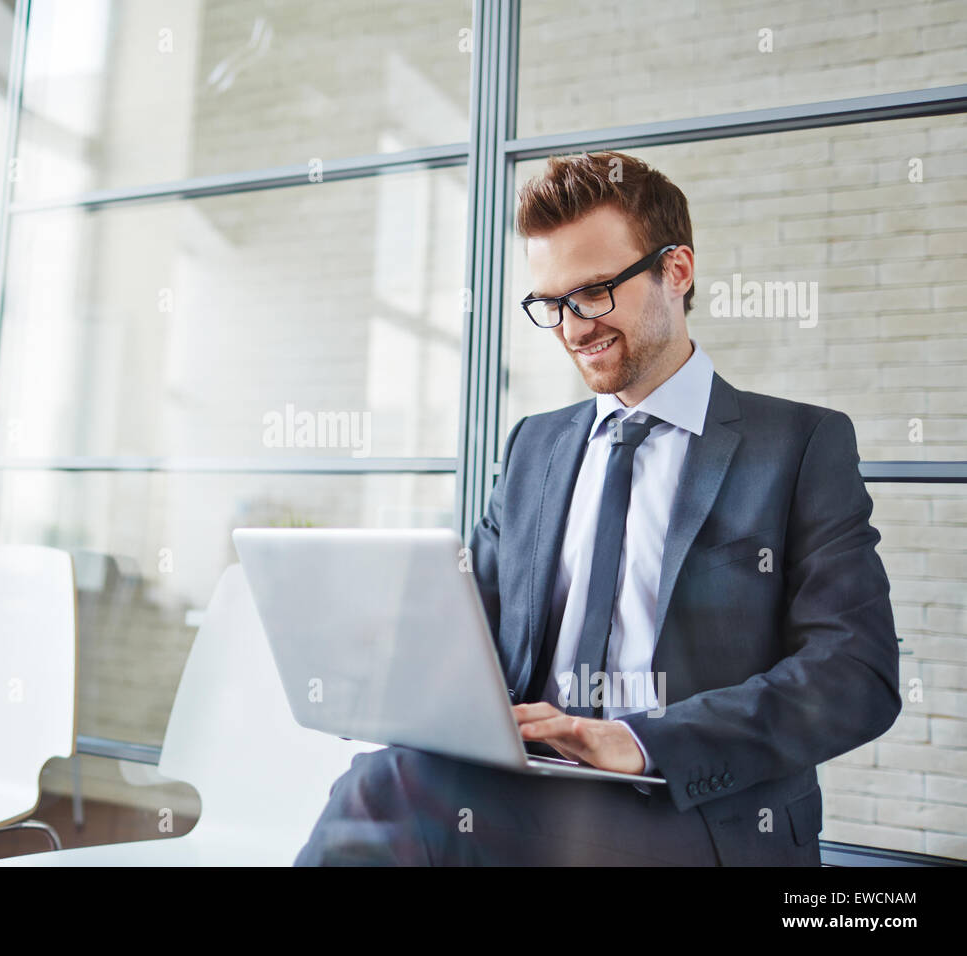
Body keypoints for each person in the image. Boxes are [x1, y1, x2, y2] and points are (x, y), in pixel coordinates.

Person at [294, 151, 901, 866]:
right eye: (550, 304)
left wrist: (640, 742)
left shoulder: (798, 446)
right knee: (379, 783)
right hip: (531, 785)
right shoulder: (535, 446)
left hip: (690, 807)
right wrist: (385, 667)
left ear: (676, 271)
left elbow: (855, 673)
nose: (572, 328)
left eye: (594, 292)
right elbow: (475, 635)